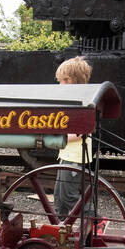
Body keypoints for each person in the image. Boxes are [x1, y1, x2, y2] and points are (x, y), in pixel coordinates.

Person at [52, 57, 93, 218]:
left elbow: (83, 131)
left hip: (75, 156)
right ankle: (59, 227)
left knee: (68, 196)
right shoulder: (74, 101)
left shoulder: (82, 102)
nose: (62, 84)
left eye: (66, 80)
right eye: (60, 81)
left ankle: (95, 219)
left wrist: (58, 137)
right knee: (59, 197)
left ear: (77, 81)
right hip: (68, 155)